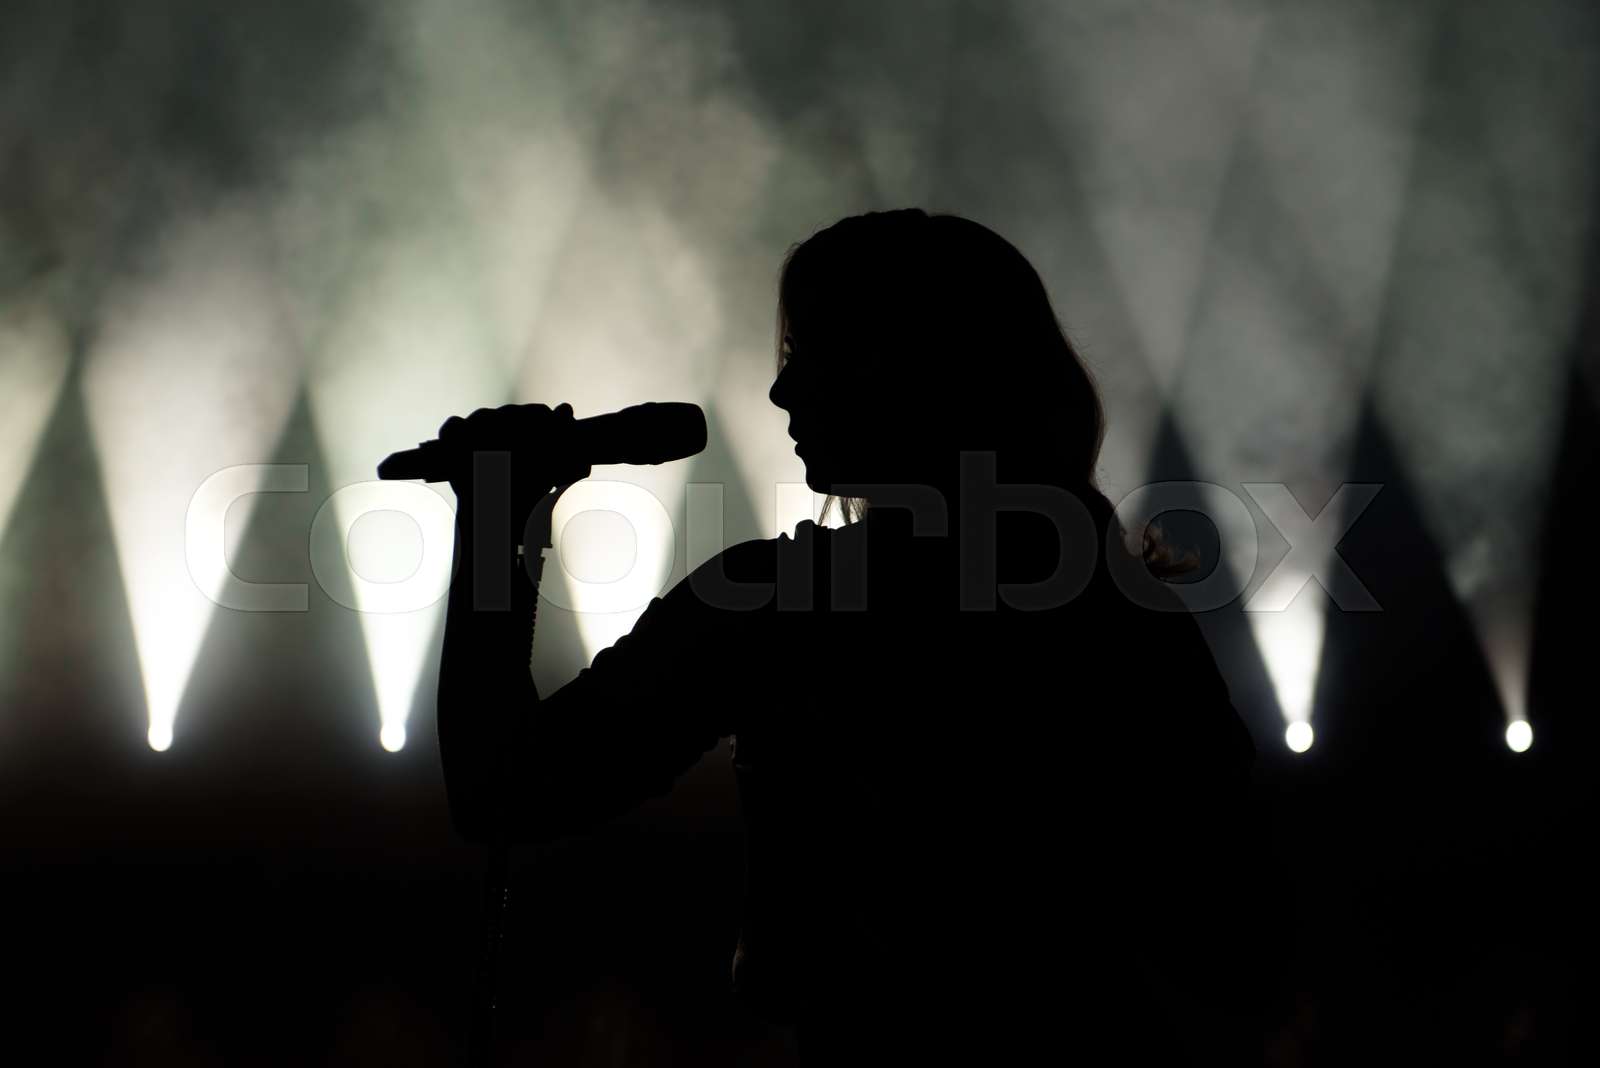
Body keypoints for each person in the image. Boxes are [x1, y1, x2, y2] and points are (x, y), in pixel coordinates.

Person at [435, 209, 1261, 1063]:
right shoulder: (1115, 597)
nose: (780, 391)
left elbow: (507, 786)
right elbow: (1242, 925)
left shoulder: (785, 604)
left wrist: (499, 514)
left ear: (915, 365)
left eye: (810, 354)